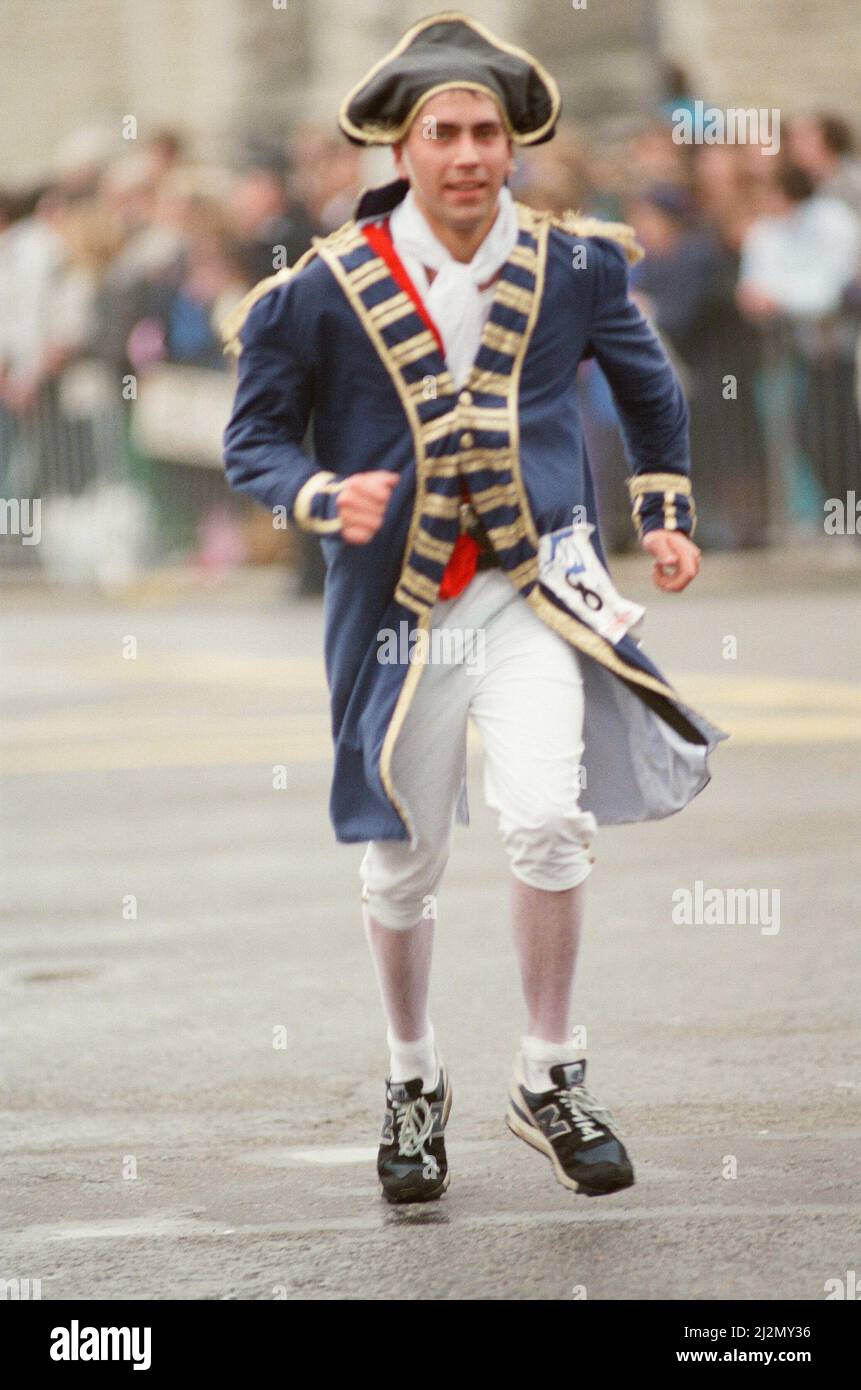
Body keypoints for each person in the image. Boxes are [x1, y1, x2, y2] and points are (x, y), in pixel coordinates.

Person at [222, 12, 726, 1206]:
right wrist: (314, 491)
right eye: (441, 131)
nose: (465, 152)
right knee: (402, 863)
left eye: (485, 131)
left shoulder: (577, 264)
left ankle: (550, 1071)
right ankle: (412, 1078)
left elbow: (651, 390)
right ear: (401, 149)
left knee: (549, 817)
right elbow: (252, 436)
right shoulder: (319, 291)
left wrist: (662, 509)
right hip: (395, 613)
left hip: (533, 591)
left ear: (512, 147)